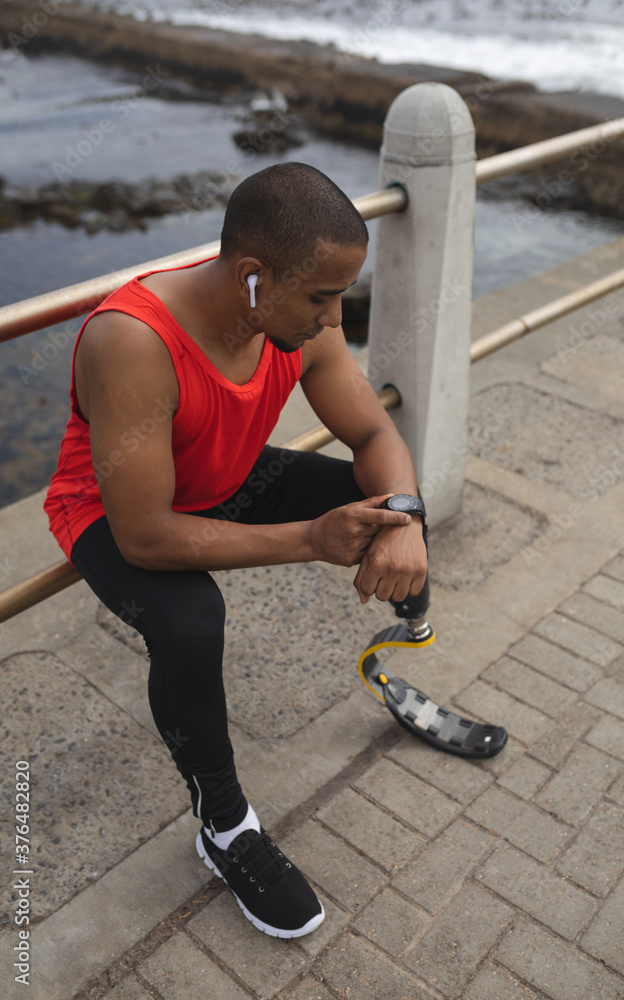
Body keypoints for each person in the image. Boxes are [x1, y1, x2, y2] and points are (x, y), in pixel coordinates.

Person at [44, 162, 428, 939]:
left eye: (340, 295)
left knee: (384, 501)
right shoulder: (134, 341)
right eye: (322, 297)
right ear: (254, 279)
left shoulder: (297, 322)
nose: (334, 318)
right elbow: (147, 536)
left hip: (220, 476)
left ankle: (402, 636)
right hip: (114, 511)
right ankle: (225, 827)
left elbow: (373, 432)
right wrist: (310, 542)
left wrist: (405, 522)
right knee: (190, 623)